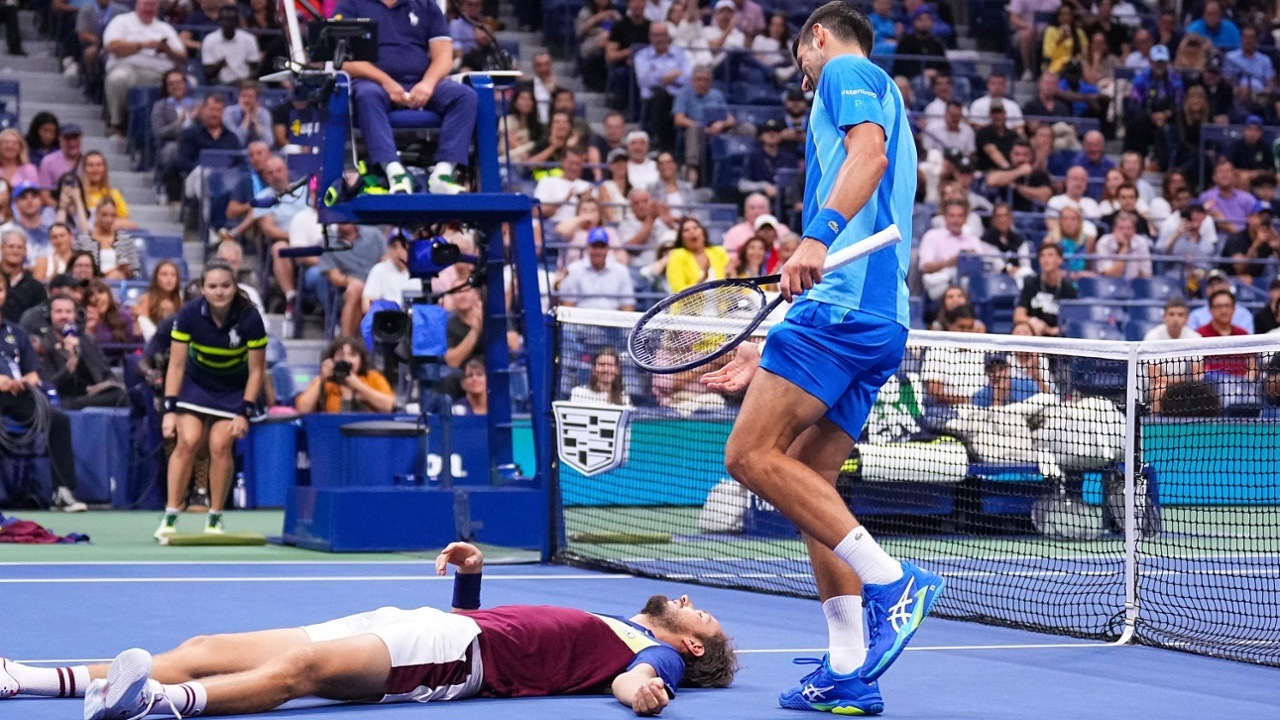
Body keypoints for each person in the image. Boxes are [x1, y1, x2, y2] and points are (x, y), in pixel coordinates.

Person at [699, 4, 942, 713]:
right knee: (809, 481)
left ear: (818, 37)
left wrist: (816, 236)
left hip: (841, 309)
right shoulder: (881, 91)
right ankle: (849, 669)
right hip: (873, 319)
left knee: (748, 456)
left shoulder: (844, 70)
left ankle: (894, 582)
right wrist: (772, 346)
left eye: (801, 58)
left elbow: (870, 157)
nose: (803, 74)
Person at [2, 542, 735, 718]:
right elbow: (490, 620)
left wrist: (645, 691)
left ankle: (158, 705)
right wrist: (472, 578)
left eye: (701, 613)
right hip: (423, 624)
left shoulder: (652, 652)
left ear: (692, 644)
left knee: (302, 676)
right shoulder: (612, 621)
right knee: (202, 649)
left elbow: (640, 681)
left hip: (451, 659)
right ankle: (26, 678)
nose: (690, 601)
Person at [157, 261, 267, 538]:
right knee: (188, 440)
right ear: (203, 289)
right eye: (213, 286)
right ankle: (171, 515)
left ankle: (215, 517)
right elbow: (176, 366)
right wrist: (169, 409)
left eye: (226, 286)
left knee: (220, 445)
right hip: (197, 383)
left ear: (235, 287)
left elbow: (256, 371)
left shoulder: (250, 317)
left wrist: (245, 411)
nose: (219, 292)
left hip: (233, 388)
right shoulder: (189, 314)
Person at [336, 0, 477, 195]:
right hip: (373, 83)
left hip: (420, 82)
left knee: (464, 96)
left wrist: (428, 83)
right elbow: (344, 61)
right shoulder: (351, 5)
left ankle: (443, 174)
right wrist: (386, 82)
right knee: (367, 95)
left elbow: (444, 56)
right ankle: (394, 173)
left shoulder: (426, 5)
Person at [0, 278, 86, 512]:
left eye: (0, 289)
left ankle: (63, 491)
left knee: (58, 420)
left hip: (17, 395)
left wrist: (22, 383)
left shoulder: (16, 332)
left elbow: (33, 373)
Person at [101, 0, 186, 136]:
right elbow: (112, 46)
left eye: (152, 5)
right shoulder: (121, 21)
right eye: (146, 4)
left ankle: (178, 127)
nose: (149, 8)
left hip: (161, 73)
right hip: (130, 69)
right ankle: (117, 124)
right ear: (137, 5)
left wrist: (167, 50)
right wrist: (141, 45)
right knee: (118, 79)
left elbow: (182, 56)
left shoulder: (165, 28)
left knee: (185, 82)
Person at [35, 292, 126, 410]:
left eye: (68, 312)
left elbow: (106, 373)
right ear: (49, 315)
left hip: (91, 395)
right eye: (59, 311)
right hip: (63, 398)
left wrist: (103, 385)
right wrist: (71, 363)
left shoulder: (87, 340)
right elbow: (49, 385)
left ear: (75, 315)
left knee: (123, 396)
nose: (64, 316)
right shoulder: (44, 345)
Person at [294, 336, 395, 414]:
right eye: (340, 355)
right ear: (332, 359)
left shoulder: (373, 377)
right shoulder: (324, 381)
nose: (346, 360)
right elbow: (302, 409)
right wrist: (322, 378)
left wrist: (359, 386)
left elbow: (388, 406)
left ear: (361, 360)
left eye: (352, 355)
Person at [319, 223, 387, 339]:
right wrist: (350, 281)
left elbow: (386, 261)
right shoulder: (326, 242)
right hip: (349, 285)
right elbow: (334, 276)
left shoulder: (374, 234)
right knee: (355, 289)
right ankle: (347, 341)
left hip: (378, 282)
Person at [917, 199, 990, 300]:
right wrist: (948, 263)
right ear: (945, 217)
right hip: (940, 283)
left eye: (960, 216)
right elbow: (925, 267)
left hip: (968, 283)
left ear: (966, 219)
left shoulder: (973, 239)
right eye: (952, 216)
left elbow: (981, 266)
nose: (956, 220)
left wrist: (971, 259)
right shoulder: (932, 236)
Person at [558, 229, 636, 311]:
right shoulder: (574, 270)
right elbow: (568, 305)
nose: (598, 251)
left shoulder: (621, 271)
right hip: (582, 317)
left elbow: (628, 305)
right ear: (587, 247)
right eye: (594, 246)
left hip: (611, 317)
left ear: (608, 248)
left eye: (602, 247)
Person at [1014, 242, 1077, 336]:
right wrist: (1034, 321)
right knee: (1022, 329)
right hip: (1034, 333)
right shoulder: (1031, 284)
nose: (1045, 259)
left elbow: (1072, 322)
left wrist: (1054, 330)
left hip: (1057, 335)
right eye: (1042, 256)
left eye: (1050, 255)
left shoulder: (1068, 289)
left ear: (1060, 260)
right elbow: (1018, 315)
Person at [72, 199, 141, 280]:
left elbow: (136, 272)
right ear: (96, 214)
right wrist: (107, 276)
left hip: (120, 282)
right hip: (91, 283)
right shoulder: (82, 239)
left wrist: (128, 271)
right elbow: (75, 269)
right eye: (104, 215)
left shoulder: (125, 240)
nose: (109, 219)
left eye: (113, 215)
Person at [151, 70, 198, 179]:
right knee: (172, 149)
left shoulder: (197, 105)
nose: (176, 86)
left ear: (185, 84)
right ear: (167, 88)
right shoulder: (160, 106)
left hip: (195, 142)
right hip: (173, 143)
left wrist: (199, 118)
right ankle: (168, 183)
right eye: (172, 84)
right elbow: (158, 132)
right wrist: (179, 123)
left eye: (179, 83)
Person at [362, 231, 422, 313]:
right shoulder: (379, 270)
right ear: (390, 249)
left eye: (405, 247)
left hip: (416, 316)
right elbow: (367, 304)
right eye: (394, 247)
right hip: (388, 317)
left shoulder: (420, 270)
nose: (398, 251)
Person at [665, 217, 728, 293]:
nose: (692, 232)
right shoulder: (676, 256)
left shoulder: (719, 252)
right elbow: (678, 292)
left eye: (695, 228)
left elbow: (730, 282)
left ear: (703, 232)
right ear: (682, 238)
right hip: (692, 301)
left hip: (722, 299)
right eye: (686, 230)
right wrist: (702, 281)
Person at [201, 5, 261, 86]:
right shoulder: (210, 40)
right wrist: (219, 65)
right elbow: (208, 73)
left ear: (237, 22)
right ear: (220, 21)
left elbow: (255, 68)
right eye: (225, 20)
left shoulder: (249, 39)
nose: (228, 24)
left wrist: (247, 80)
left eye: (231, 20)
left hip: (245, 83)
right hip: (220, 84)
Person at [0, 228, 48, 322]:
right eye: (11, 246)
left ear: (25, 251)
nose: (15, 251)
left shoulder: (36, 287)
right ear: (2, 248)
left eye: (20, 247)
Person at [1188, 270, 1255, 333]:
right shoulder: (1195, 315)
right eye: (1211, 284)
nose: (1215, 288)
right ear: (1206, 289)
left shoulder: (1243, 314)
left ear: (1228, 285)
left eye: (1219, 283)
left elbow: (1247, 339)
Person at [79, 151, 133, 225]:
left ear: (104, 168)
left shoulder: (114, 194)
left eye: (99, 165)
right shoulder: (77, 194)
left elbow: (126, 221)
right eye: (90, 165)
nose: (95, 169)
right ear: (84, 169)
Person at [134, 260, 183, 342]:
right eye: (164, 274)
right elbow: (144, 324)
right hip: (152, 342)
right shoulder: (146, 299)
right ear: (156, 278)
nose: (169, 279)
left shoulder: (181, 301)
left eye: (173, 275)